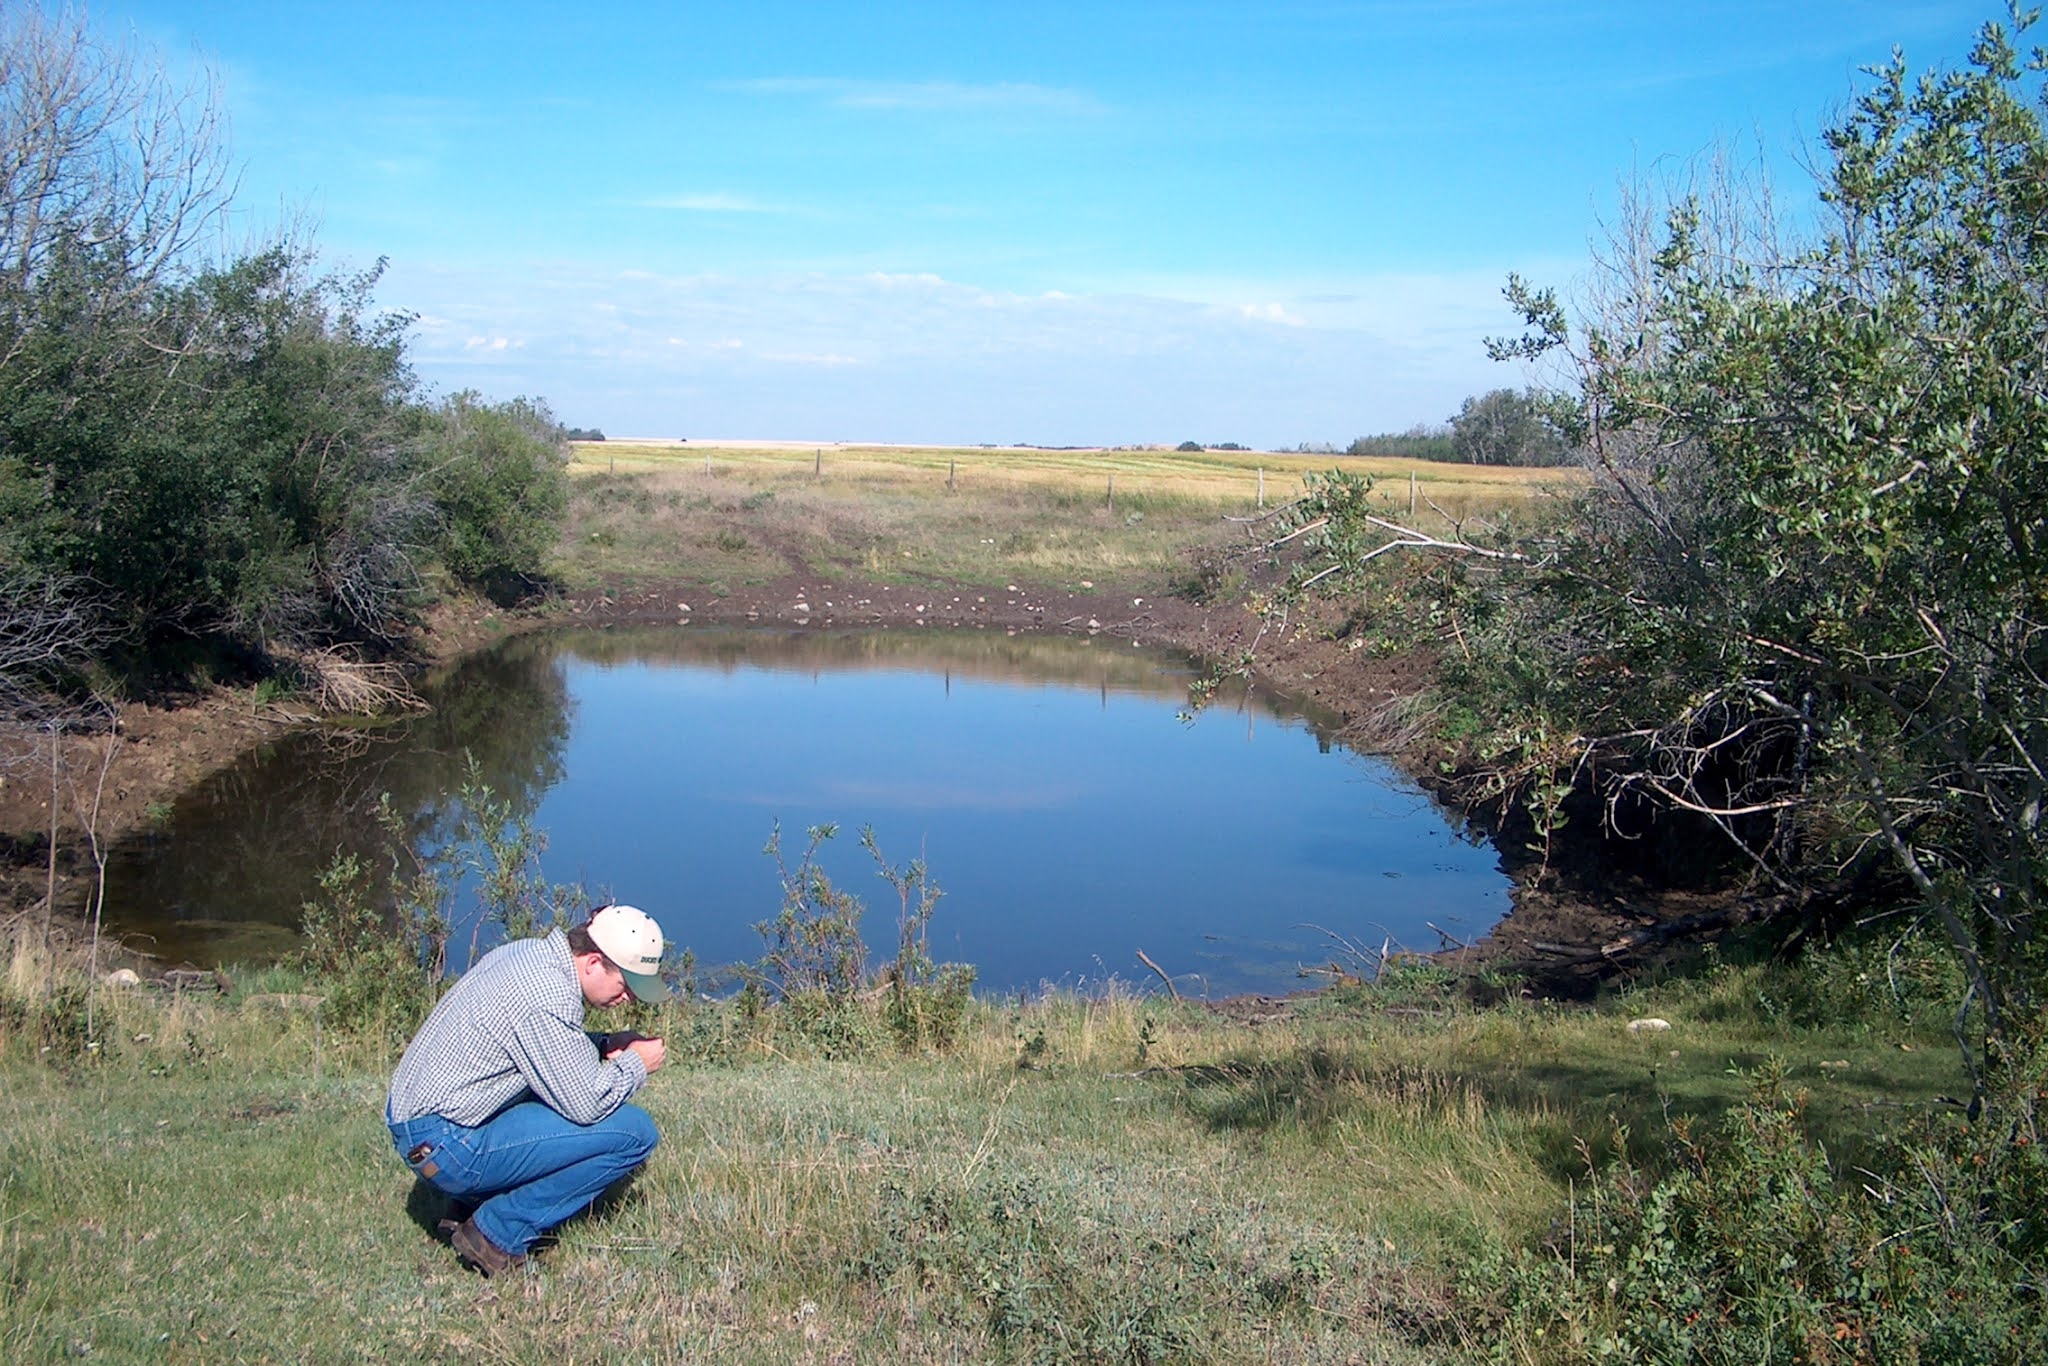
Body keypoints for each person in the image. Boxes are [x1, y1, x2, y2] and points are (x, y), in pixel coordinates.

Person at [385, 903, 672, 1277]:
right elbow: (587, 1104)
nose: (629, 999)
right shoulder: (547, 994)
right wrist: (636, 1063)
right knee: (633, 1133)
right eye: (627, 985)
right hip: (446, 1143)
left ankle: (470, 1202)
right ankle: (497, 1234)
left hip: (422, 1127)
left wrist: (602, 1044)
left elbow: (542, 1045)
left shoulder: (527, 954)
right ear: (593, 963)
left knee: (553, 1096)